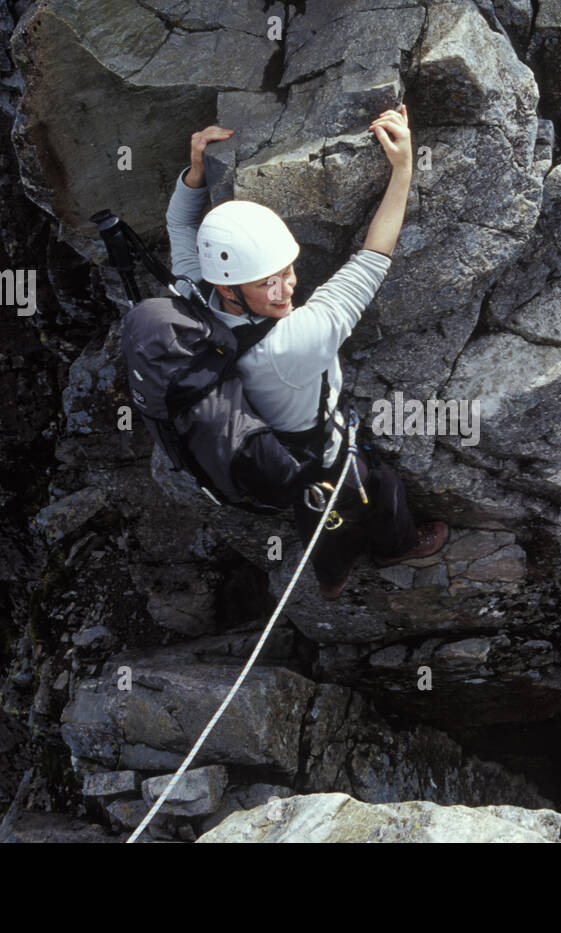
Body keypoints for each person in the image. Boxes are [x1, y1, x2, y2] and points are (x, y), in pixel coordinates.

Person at [164, 105, 448, 599]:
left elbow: (179, 224)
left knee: (315, 513)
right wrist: (403, 170)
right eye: (265, 283)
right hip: (323, 452)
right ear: (230, 288)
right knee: (379, 488)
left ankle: (331, 578)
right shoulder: (296, 342)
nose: (284, 290)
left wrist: (195, 172)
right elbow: (372, 260)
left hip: (268, 447)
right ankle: (395, 547)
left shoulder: (195, 293)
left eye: (287, 271)